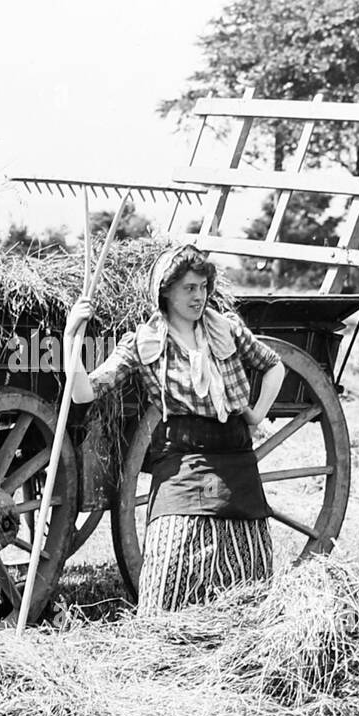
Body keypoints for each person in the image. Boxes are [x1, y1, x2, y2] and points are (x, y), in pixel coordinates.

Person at [65, 243, 286, 615]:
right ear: (165, 291)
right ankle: (168, 640)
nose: (198, 296)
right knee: (170, 565)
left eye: (202, 287)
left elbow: (273, 364)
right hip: (182, 462)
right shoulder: (143, 344)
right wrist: (72, 336)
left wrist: (256, 414)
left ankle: (239, 639)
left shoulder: (226, 328)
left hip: (235, 460)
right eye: (189, 288)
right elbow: (84, 392)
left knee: (248, 569)